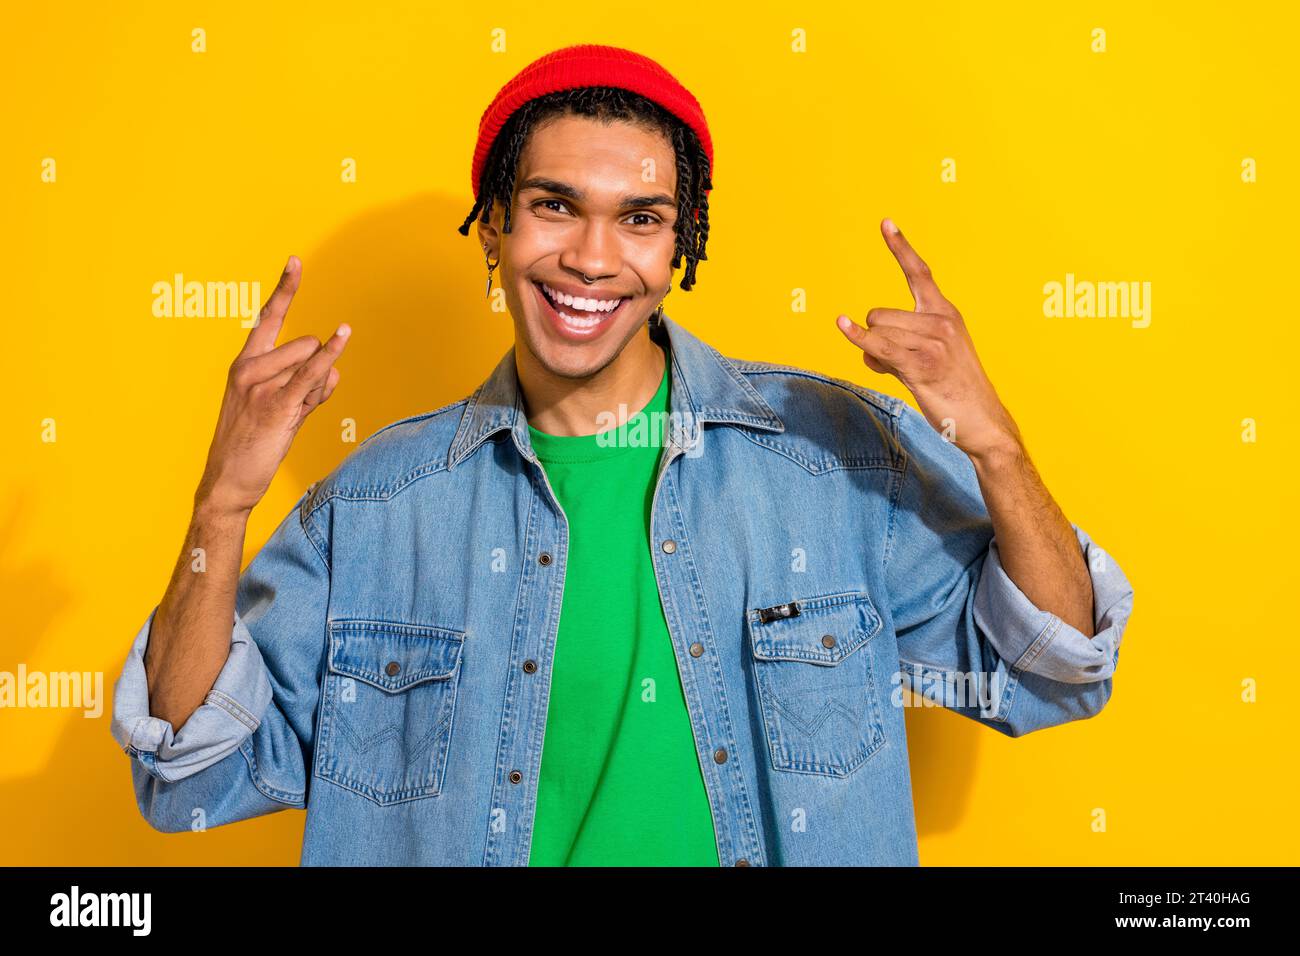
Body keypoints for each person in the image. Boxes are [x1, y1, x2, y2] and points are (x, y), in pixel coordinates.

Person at [111, 44, 1134, 866]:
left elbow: (1051, 669)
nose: (594, 258)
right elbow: (191, 781)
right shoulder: (376, 504)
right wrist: (220, 507)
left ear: (680, 245)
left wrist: (995, 448)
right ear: (493, 228)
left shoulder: (832, 462)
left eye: (640, 219)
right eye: (555, 205)